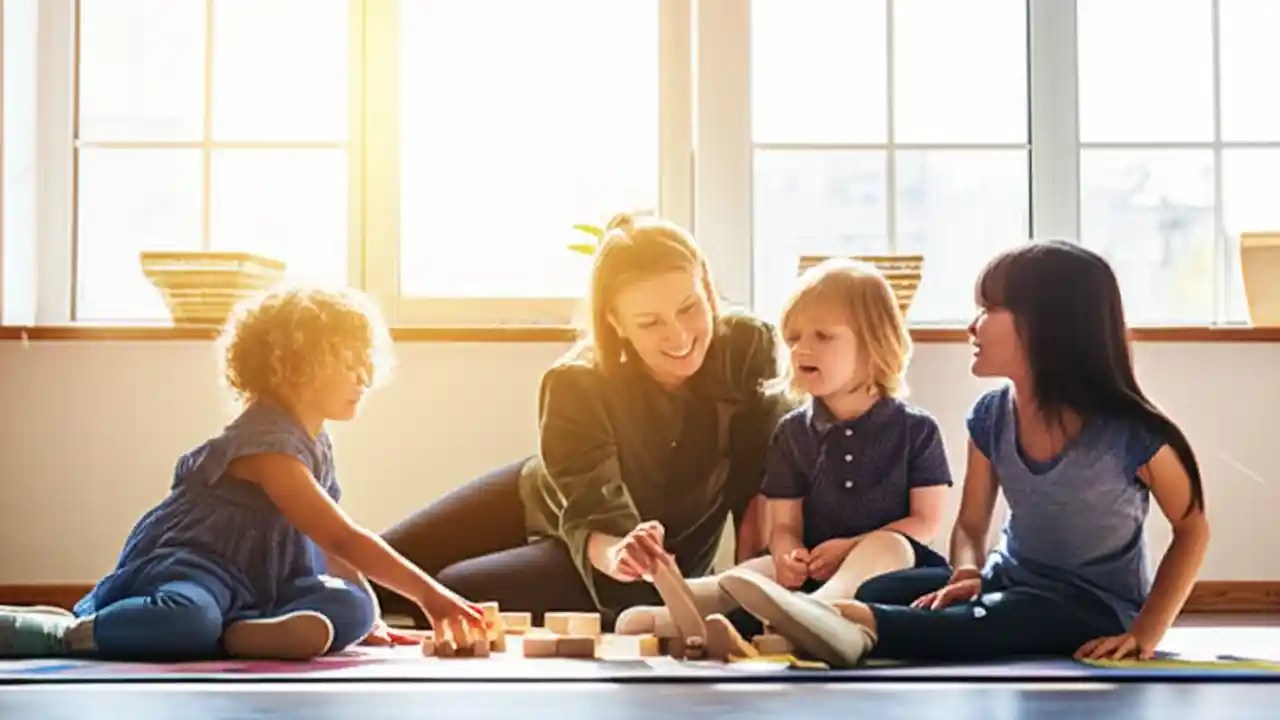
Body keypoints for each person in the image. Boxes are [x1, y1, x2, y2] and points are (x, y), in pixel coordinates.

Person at [716, 240, 1211, 667]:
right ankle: (847, 614)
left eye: (988, 311)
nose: (971, 326)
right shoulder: (992, 417)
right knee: (883, 588)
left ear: (1046, 326)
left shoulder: (1130, 433)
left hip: (1089, 606)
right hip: (1005, 579)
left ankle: (847, 623)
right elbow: (972, 524)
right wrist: (967, 572)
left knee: (996, 621)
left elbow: (1192, 528)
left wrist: (1146, 631)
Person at [0, 286, 486, 660]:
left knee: (353, 608)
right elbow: (341, 536)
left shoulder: (316, 440)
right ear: (294, 365)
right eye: (346, 363)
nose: (363, 378)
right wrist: (431, 596)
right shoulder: (265, 445)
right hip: (199, 566)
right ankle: (68, 633)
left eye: (365, 364)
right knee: (188, 620)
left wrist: (371, 618)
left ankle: (237, 633)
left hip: (263, 578)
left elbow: (327, 546)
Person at [378, 214, 791, 627]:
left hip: (642, 562)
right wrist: (620, 550)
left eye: (689, 308)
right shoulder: (577, 382)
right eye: (650, 323)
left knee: (458, 589)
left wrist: (750, 597)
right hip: (566, 503)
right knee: (373, 572)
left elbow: (759, 484)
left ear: (707, 288)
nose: (680, 336)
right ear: (615, 321)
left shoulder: (746, 349)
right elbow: (594, 514)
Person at [614, 258, 952, 634]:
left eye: (822, 337)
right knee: (755, 573)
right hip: (810, 571)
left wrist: (849, 548)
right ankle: (677, 608)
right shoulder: (791, 433)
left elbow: (925, 522)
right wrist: (788, 554)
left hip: (891, 575)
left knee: (890, 545)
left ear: (875, 345)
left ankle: (818, 610)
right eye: (793, 338)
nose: (802, 349)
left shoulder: (916, 430)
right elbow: (784, 525)